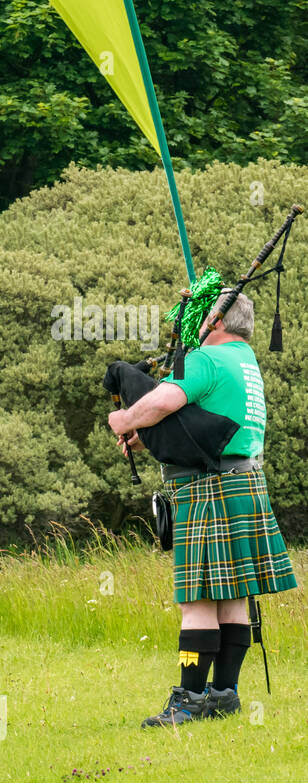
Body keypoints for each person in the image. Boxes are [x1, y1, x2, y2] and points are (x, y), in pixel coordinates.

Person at [109, 292, 298, 726]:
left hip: (208, 488)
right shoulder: (244, 362)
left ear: (215, 321)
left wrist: (126, 421)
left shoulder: (206, 359)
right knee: (231, 595)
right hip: (244, 480)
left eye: (200, 317)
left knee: (195, 600)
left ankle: (188, 701)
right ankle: (224, 694)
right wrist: (149, 437)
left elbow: (163, 401)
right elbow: (200, 421)